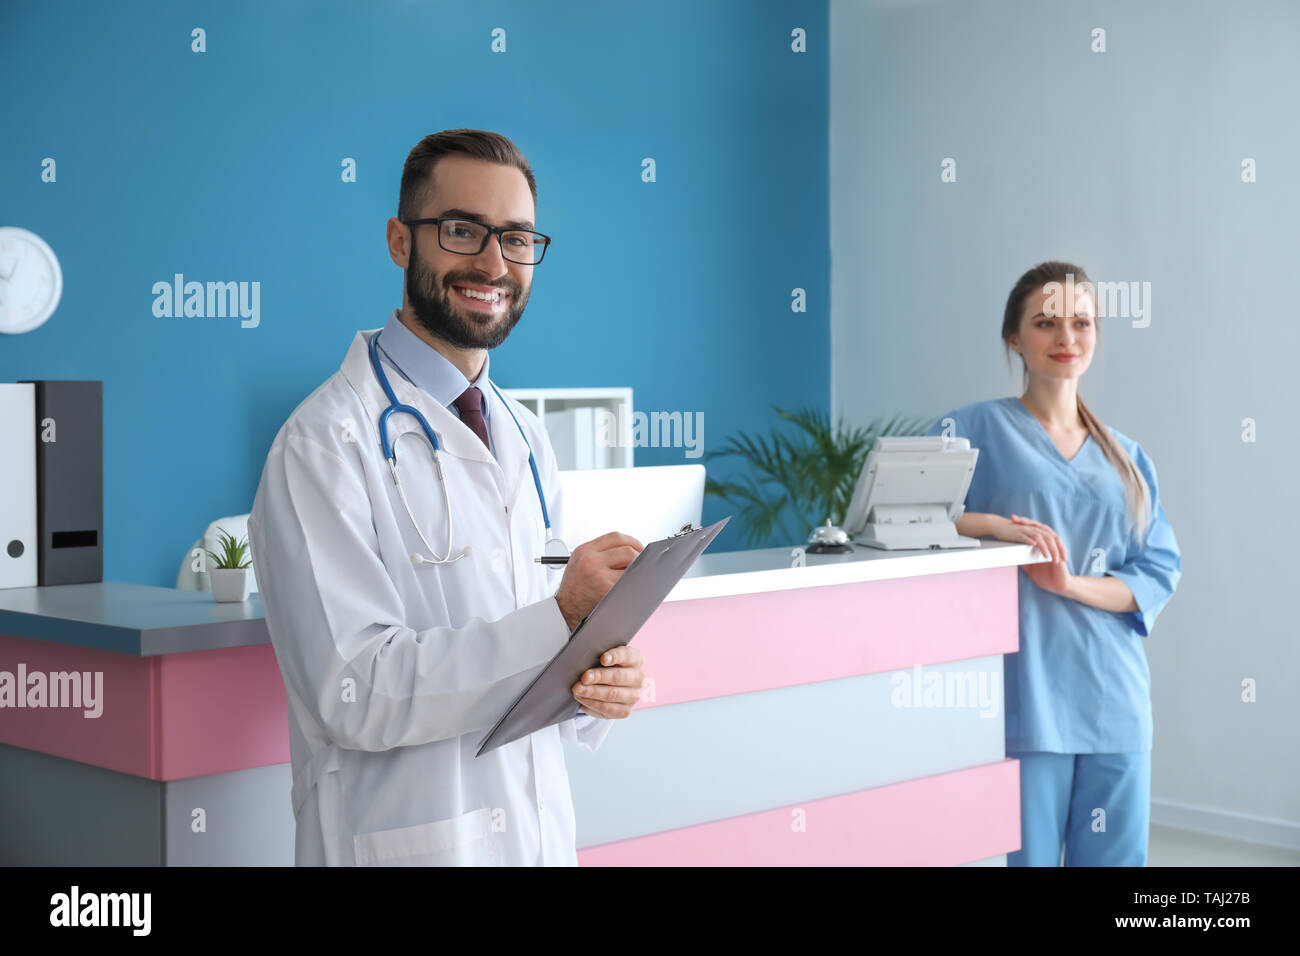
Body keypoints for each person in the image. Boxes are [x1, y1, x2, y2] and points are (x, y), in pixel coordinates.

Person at [246, 129, 647, 866]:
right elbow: (353, 691)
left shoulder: (527, 437)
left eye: (518, 239)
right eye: (463, 230)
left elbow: (534, 649)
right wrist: (560, 619)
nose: (494, 263)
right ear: (401, 241)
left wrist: (597, 680)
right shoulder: (322, 443)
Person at [927, 261, 1181, 866]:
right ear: (1014, 338)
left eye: (1081, 322)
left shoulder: (1127, 456)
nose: (1066, 338)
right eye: (1045, 323)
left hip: (1114, 702)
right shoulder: (970, 430)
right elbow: (900, 518)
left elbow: (1155, 574)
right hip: (1028, 699)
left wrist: (1069, 584)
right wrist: (995, 527)